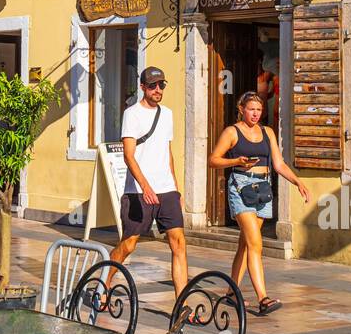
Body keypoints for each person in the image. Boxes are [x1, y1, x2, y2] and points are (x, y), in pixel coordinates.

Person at [208, 90, 310, 314]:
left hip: (263, 188)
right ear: (242, 110)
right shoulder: (232, 132)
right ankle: (263, 298)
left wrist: (297, 182)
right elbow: (213, 160)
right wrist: (236, 160)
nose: (255, 114)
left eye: (259, 110)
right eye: (251, 109)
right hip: (240, 186)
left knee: (245, 244)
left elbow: (279, 164)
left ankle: (230, 293)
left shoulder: (268, 132)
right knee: (256, 244)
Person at [109, 66, 189, 301]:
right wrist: (145, 186)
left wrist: (175, 187)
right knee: (129, 245)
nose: (157, 90)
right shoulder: (131, 114)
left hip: (166, 190)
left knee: (178, 244)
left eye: (161, 85)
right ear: (142, 87)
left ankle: (181, 302)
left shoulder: (167, 114)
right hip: (138, 192)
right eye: (152, 85)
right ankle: (105, 281)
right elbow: (128, 155)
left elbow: (168, 152)